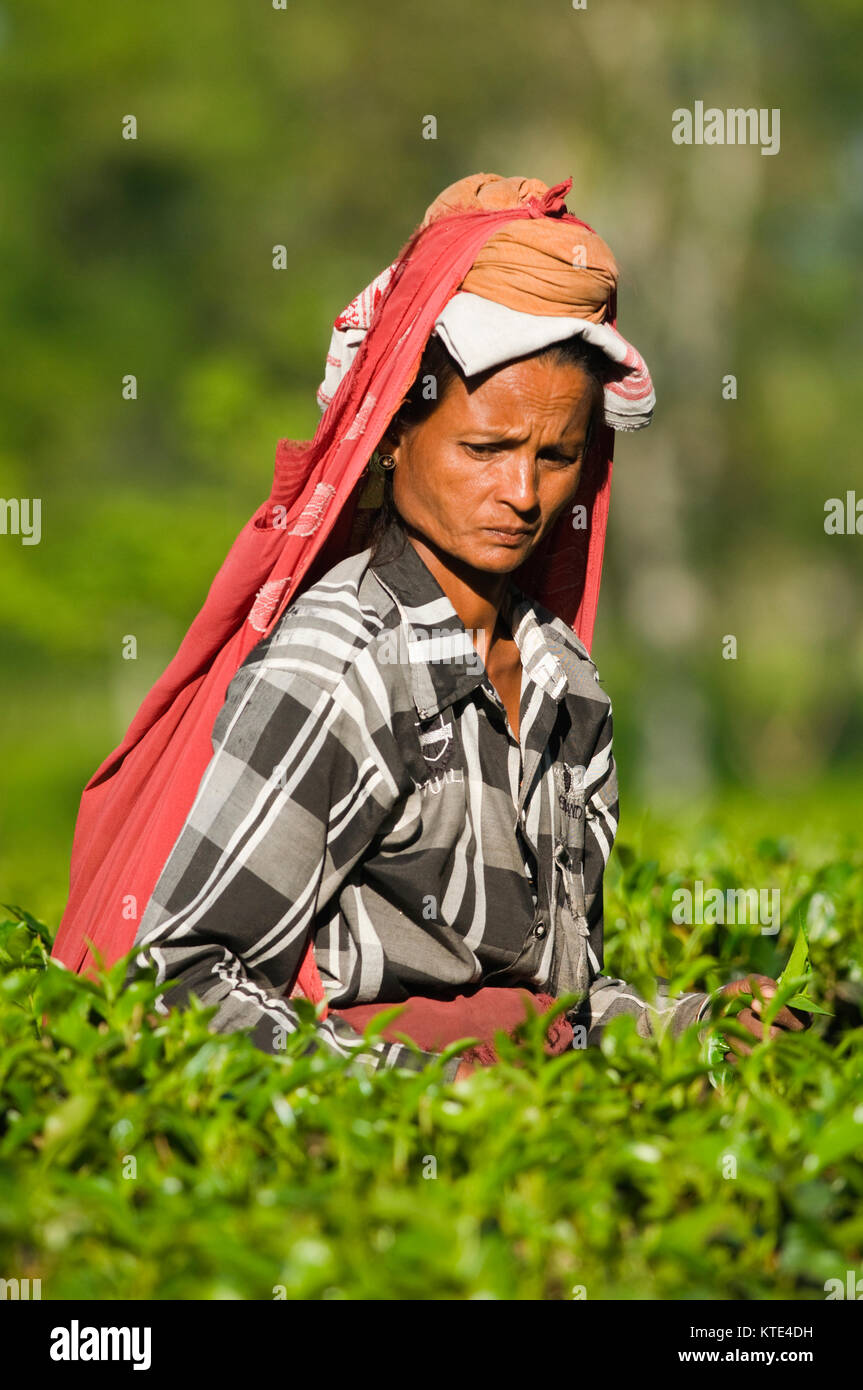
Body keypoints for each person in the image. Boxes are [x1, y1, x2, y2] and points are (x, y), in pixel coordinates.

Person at [60, 172, 806, 1078]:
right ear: (390, 435)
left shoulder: (564, 682)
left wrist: (686, 1025)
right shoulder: (338, 671)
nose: (524, 494)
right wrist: (423, 1087)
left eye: (558, 456)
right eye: (485, 449)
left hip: (525, 1151)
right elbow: (177, 986)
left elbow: (552, 1003)